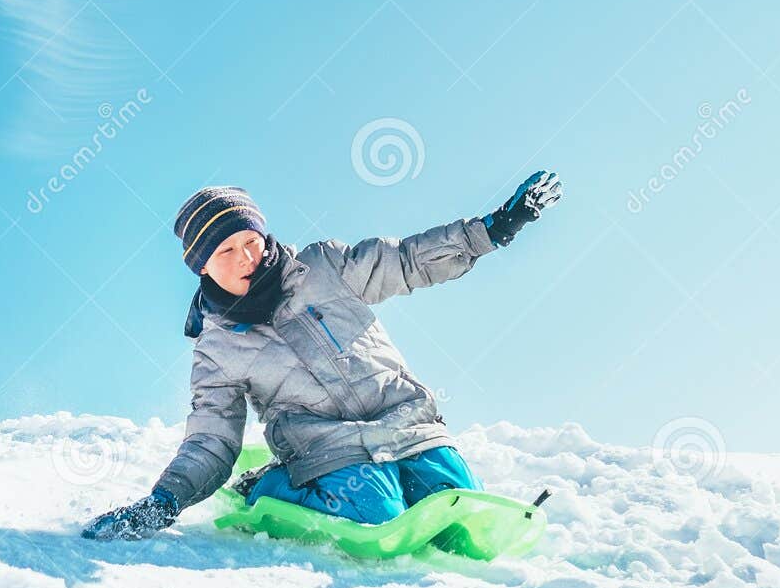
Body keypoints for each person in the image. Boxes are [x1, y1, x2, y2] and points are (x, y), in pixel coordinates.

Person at [81, 174, 562, 541]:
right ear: (202, 265)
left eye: (251, 241)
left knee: (458, 509)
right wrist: (163, 502)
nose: (247, 257)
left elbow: (409, 261)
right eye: (227, 251)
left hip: (407, 421)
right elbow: (212, 437)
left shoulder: (324, 268)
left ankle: (415, 475)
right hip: (327, 448)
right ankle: (267, 486)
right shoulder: (217, 348)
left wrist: (492, 231)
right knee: (378, 515)